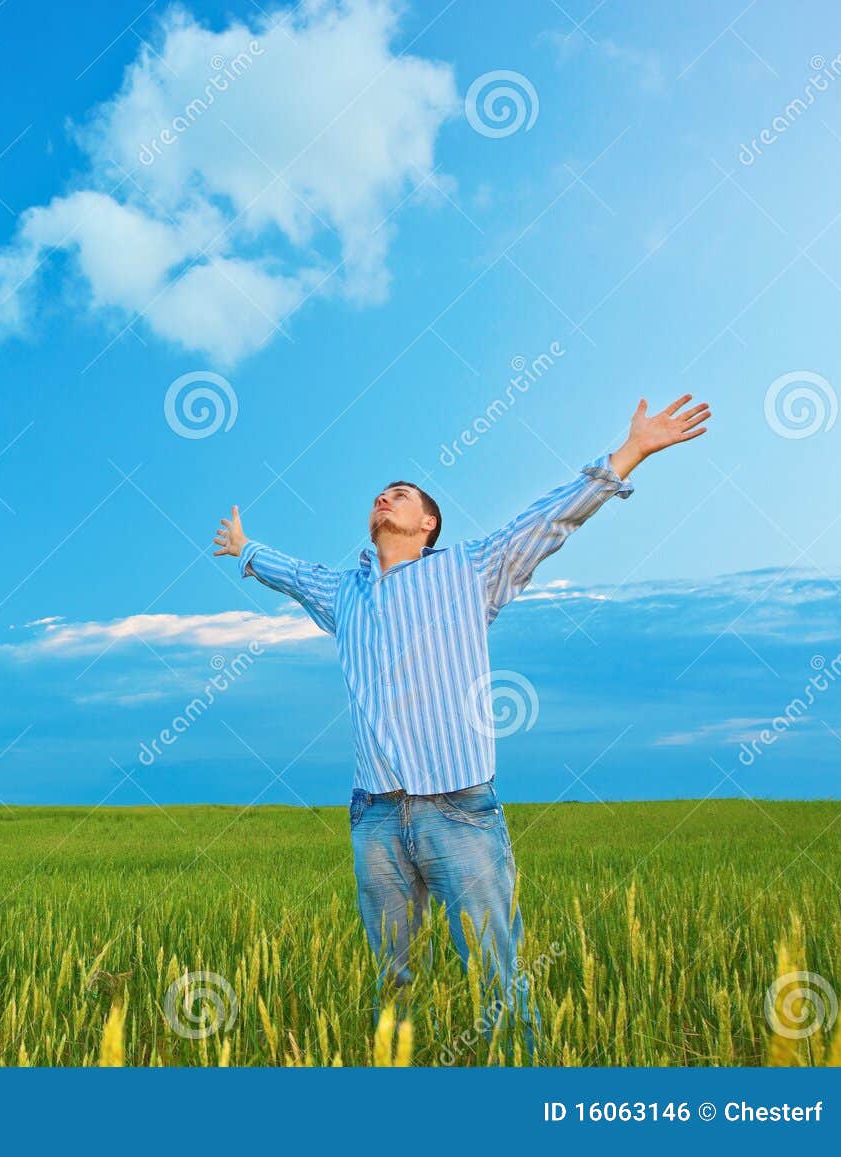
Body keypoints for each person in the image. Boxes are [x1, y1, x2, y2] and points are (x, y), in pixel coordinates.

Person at [213, 394, 711, 1059]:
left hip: (460, 811)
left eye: (402, 493)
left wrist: (630, 452)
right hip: (377, 817)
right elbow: (293, 576)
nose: (386, 497)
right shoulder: (345, 593)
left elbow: (550, 518)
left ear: (428, 522)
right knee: (390, 979)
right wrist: (247, 550)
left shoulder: (469, 570)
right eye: (380, 494)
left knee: (496, 977)